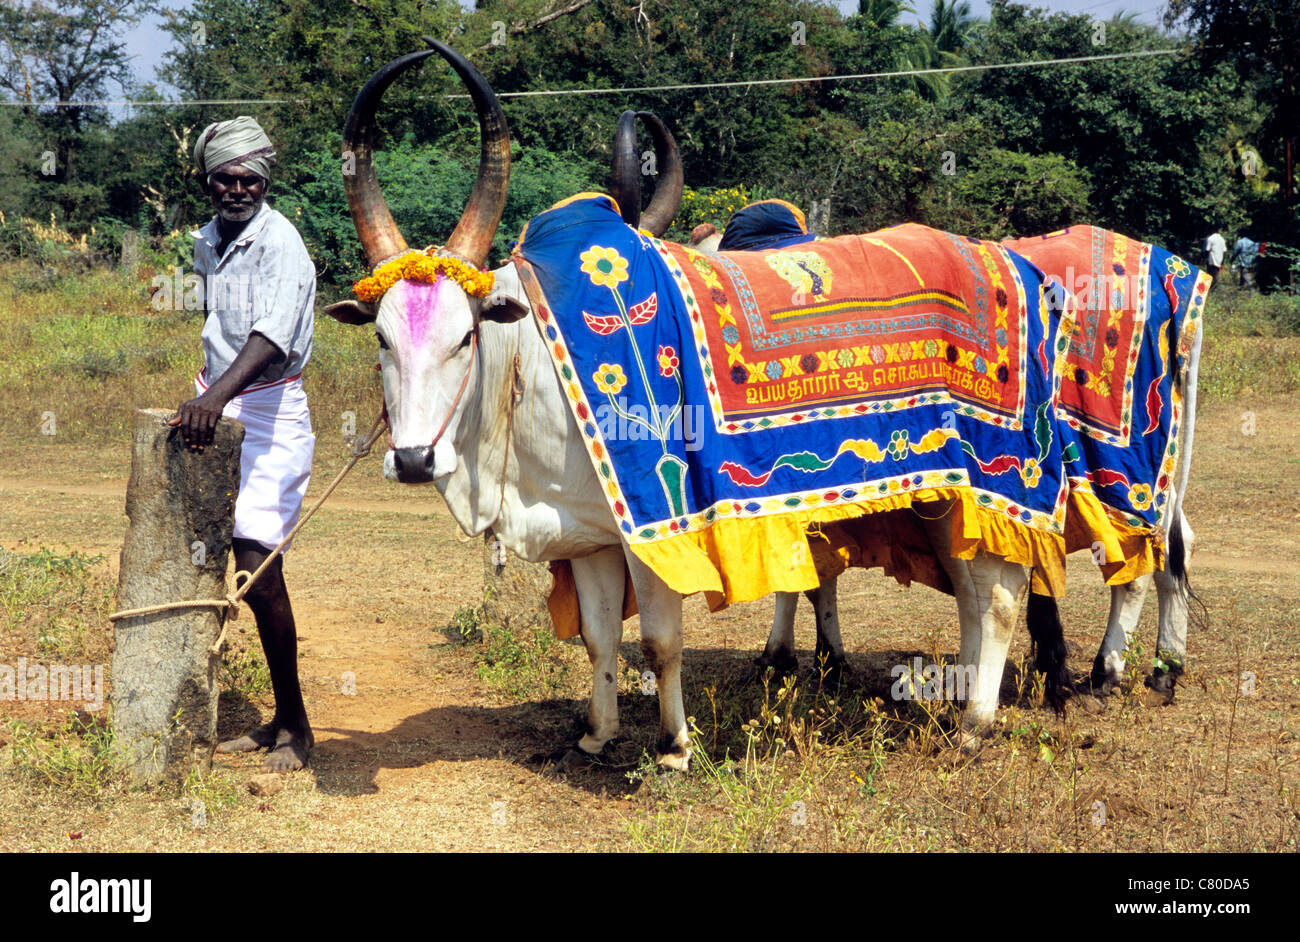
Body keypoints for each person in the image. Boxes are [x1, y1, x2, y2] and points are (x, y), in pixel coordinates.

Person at [169, 115, 318, 772]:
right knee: (194, 553)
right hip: (217, 403)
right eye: (225, 179)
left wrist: (213, 398)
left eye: (248, 180)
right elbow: (220, 325)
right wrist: (205, 395)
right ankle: (176, 699)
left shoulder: (281, 243)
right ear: (208, 182)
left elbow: (270, 339)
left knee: (258, 566)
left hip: (269, 409)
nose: (237, 190)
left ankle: (297, 727)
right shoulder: (208, 240)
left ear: (265, 182)